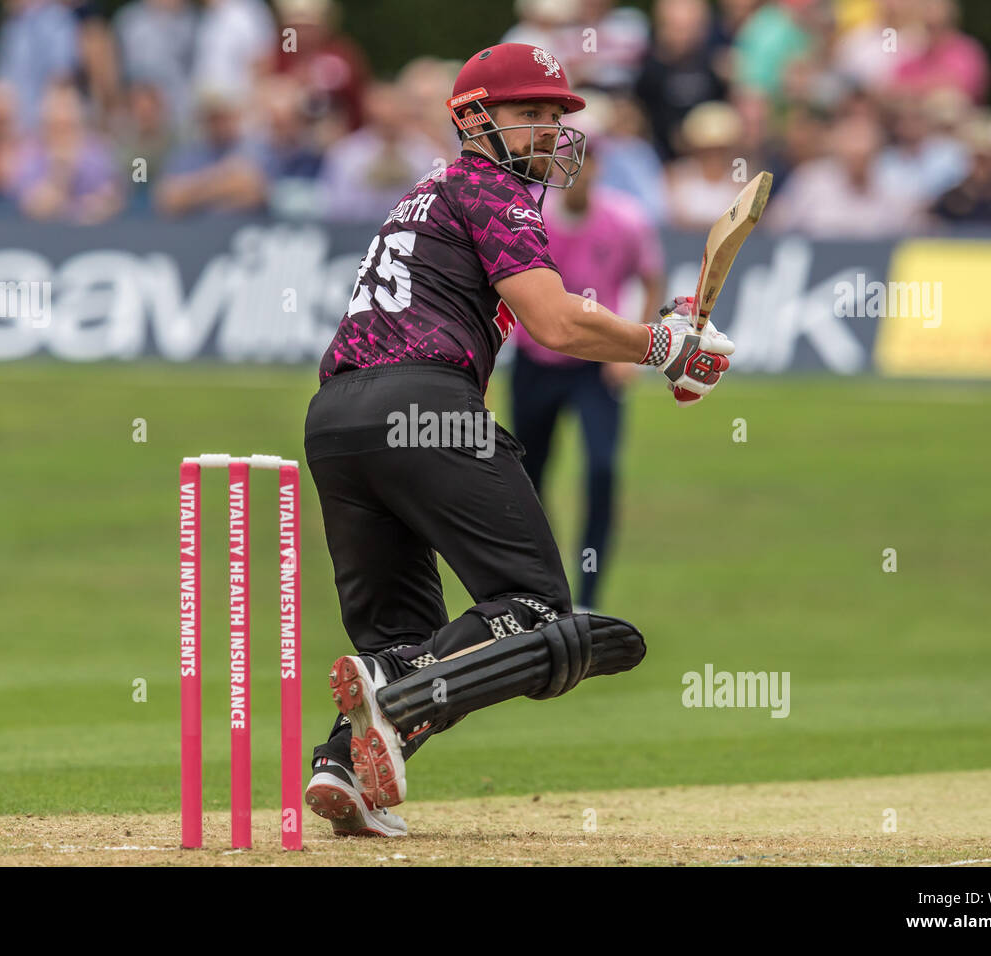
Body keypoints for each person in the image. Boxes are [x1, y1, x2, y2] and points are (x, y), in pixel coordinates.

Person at [301, 42, 735, 837]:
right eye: (530, 114)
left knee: (405, 637)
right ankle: (396, 685)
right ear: (472, 119)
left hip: (337, 422)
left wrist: (655, 338)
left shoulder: (425, 195)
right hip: (421, 400)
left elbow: (534, 329)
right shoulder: (490, 186)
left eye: (556, 116)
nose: (550, 130)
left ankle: (343, 769)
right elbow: (557, 321)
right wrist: (666, 346)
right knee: (533, 609)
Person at [509, 115, 664, 613]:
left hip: (596, 367)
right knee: (529, 479)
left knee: (601, 469)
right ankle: (541, 591)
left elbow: (652, 278)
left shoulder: (626, 220)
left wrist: (635, 353)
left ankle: (589, 596)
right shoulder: (532, 218)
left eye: (588, 159)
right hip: (537, 362)